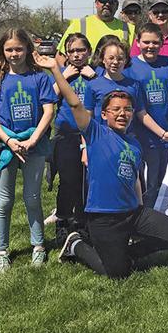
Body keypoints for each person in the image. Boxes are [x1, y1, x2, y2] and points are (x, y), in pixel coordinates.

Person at [36, 53, 168, 279]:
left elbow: (135, 179)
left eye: (127, 110)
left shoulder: (134, 144)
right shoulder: (96, 133)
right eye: (115, 109)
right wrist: (56, 71)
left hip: (133, 214)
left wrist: (139, 208)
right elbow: (75, 103)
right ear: (104, 114)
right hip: (104, 218)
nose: (122, 114)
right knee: (117, 273)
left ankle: (127, 253)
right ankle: (76, 244)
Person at [0, 29, 56, 273]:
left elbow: (48, 111)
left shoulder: (40, 78)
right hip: (6, 146)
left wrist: (33, 139)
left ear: (28, 50)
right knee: (4, 201)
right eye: (9, 49)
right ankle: (0, 251)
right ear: (3, 51)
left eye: (19, 49)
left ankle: (38, 247)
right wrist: (9, 140)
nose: (14, 54)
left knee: (32, 198)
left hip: (34, 145)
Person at [49, 33, 97, 244]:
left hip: (89, 132)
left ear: (89, 52)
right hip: (66, 132)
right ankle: (63, 220)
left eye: (81, 50)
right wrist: (63, 78)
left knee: (87, 179)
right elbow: (48, 99)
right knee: (68, 180)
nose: (77, 55)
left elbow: (106, 94)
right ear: (66, 54)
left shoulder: (96, 73)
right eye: (72, 51)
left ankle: (82, 221)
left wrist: (94, 77)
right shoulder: (60, 72)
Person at [125, 23, 168, 208]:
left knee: (166, 181)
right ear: (138, 42)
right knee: (148, 183)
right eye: (146, 42)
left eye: (155, 42)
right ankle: (146, 219)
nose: (150, 46)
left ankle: (162, 217)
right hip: (143, 135)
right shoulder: (130, 65)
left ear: (162, 43)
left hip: (167, 131)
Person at [84, 40, 168, 146]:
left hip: (127, 142)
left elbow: (142, 114)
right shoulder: (93, 85)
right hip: (102, 142)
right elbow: (86, 119)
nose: (115, 62)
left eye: (120, 59)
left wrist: (163, 134)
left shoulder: (133, 85)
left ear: (125, 61)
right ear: (103, 59)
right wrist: (85, 147)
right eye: (111, 58)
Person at [56, 0, 135, 65]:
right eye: (103, 0)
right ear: (96, 3)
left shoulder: (128, 29)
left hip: (115, 75)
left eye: (112, 1)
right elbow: (60, 57)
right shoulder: (79, 24)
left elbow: (134, 60)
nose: (107, 4)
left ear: (117, 5)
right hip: (85, 75)